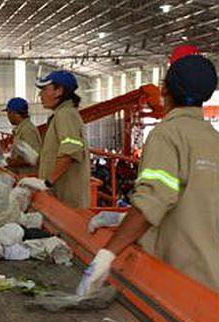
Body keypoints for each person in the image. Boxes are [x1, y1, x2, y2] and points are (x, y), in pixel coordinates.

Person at [78, 53, 219, 295]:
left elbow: (153, 201)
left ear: (164, 89)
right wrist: (124, 219)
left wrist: (105, 255)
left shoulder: (166, 134)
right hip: (211, 281)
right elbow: (193, 203)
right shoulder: (213, 138)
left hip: (178, 281)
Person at [35, 70, 90, 208]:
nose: (40, 95)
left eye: (44, 89)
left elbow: (69, 152)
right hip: (59, 196)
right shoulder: (62, 114)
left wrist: (46, 183)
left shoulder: (65, 114)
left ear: (59, 90)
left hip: (65, 200)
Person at [4, 97, 41, 175]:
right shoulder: (21, 129)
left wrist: (13, 162)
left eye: (8, 113)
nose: (7, 116)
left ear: (13, 113)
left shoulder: (27, 130)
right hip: (21, 174)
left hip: (28, 175)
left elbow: (34, 158)